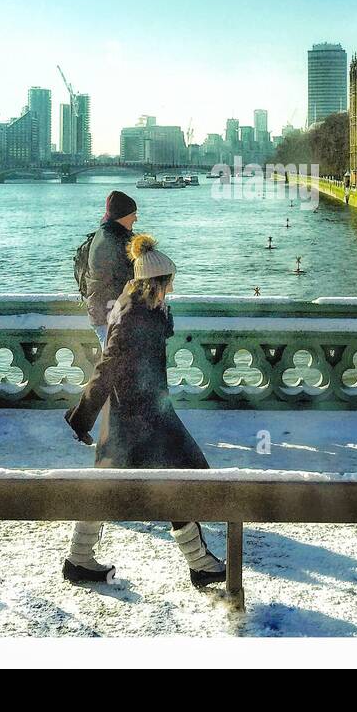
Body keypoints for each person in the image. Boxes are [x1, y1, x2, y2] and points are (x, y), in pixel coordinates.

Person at [62, 233, 226, 588]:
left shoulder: (139, 306)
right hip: (140, 418)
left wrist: (161, 312)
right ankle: (200, 564)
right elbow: (109, 366)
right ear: (157, 283)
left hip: (144, 414)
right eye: (169, 284)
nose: (171, 290)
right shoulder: (135, 315)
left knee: (123, 486)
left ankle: (80, 559)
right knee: (184, 478)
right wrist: (82, 415)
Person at [86, 190, 138, 350]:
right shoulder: (114, 241)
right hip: (109, 316)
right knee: (114, 370)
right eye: (133, 214)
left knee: (115, 369)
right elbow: (129, 280)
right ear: (122, 216)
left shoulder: (106, 233)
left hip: (105, 313)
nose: (136, 218)